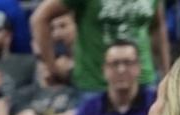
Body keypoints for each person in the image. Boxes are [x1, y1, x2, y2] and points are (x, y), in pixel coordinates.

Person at [31, 0, 169, 93]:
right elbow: (40, 18)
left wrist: (166, 73)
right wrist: (53, 68)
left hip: (144, 82)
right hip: (95, 86)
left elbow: (158, 25)